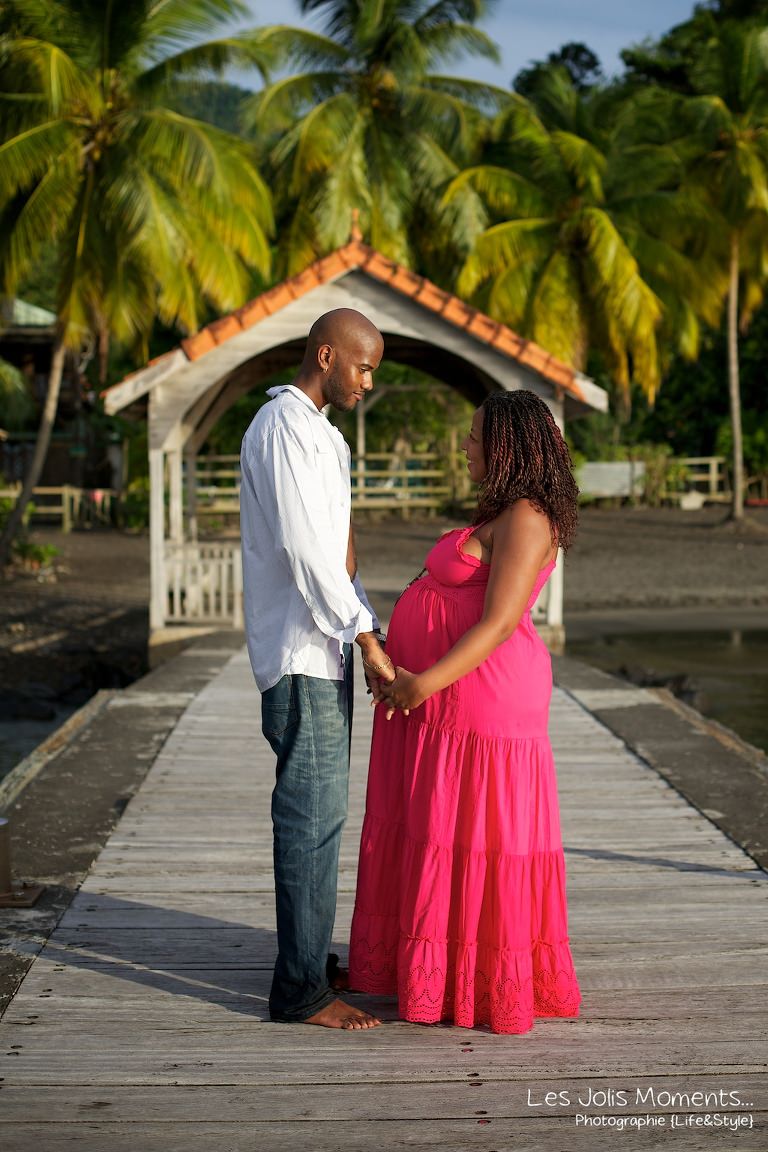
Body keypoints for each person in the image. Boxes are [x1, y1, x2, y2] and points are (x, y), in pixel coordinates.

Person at [349, 389, 581, 1034]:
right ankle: (427, 970)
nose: (465, 445)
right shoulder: (504, 510)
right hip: (437, 698)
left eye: (476, 436)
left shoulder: (529, 517)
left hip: (479, 700)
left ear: (508, 445)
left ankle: (473, 984)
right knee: (431, 826)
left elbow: (502, 622)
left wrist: (421, 684)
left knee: (472, 835)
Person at [240, 308, 394, 1030]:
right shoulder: (283, 430)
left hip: (325, 648)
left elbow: (342, 554)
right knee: (308, 820)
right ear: (326, 355)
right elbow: (306, 555)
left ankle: (309, 959)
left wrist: (365, 623)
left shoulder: (325, 438)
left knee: (325, 819)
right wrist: (364, 638)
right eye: (363, 367)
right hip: (304, 654)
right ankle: (300, 993)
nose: (369, 381)